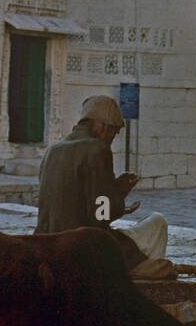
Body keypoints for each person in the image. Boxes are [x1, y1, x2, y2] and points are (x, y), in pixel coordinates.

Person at [35, 96, 171, 277]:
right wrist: (119, 194)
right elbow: (100, 215)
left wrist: (111, 190)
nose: (112, 140)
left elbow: (76, 196)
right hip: (81, 248)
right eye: (113, 134)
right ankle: (134, 276)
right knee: (157, 222)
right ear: (102, 128)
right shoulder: (98, 149)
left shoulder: (53, 150)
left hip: (46, 243)